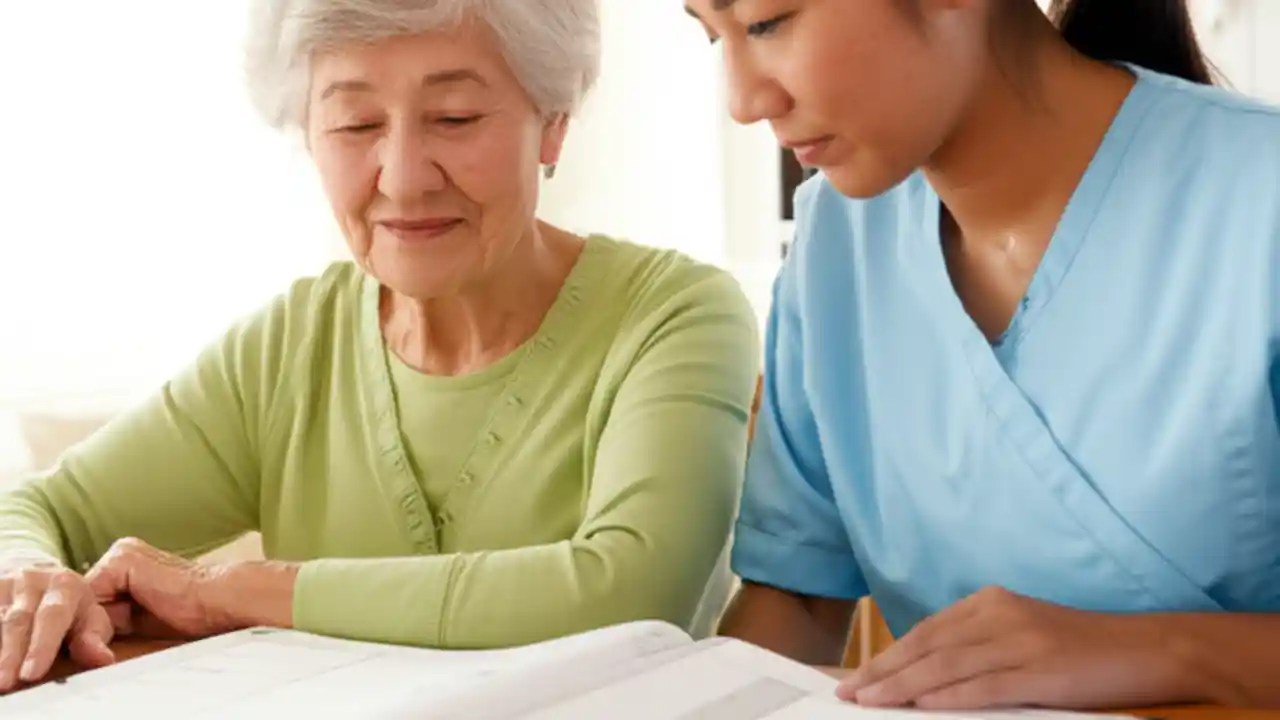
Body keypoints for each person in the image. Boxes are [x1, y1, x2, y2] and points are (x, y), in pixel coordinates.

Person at [0, 0, 760, 691]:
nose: (402, 178)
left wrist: (229, 592)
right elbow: (38, 510)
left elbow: (628, 593)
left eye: (456, 118)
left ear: (552, 120)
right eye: (356, 125)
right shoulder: (291, 346)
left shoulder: (673, 313)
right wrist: (33, 577)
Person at [684, 0, 1280, 709]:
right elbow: (799, 597)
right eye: (710, 35)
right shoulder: (835, 242)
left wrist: (1164, 653)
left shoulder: (1260, 202)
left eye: (766, 23)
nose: (743, 102)